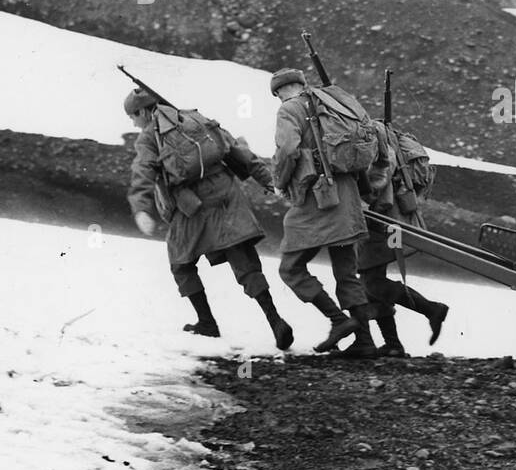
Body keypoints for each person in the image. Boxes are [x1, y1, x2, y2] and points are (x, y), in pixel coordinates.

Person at [125, 88, 293, 351]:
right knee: (245, 264)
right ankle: (276, 322)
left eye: (133, 116)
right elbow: (239, 153)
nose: (133, 122)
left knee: (181, 262)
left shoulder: (150, 137)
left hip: (192, 206)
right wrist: (269, 181)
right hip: (227, 196)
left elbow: (142, 172)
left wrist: (141, 209)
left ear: (145, 111)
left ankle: (206, 323)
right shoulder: (197, 120)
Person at [269, 68, 378, 358]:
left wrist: (279, 182)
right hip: (347, 199)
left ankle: (338, 320)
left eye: (277, 93)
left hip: (316, 200)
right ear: (302, 84)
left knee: (290, 267)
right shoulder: (333, 104)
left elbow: (288, 150)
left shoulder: (289, 110)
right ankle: (365, 342)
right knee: (346, 271)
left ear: (280, 91)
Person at [357, 121, 448, 357]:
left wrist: (362, 201)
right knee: (372, 281)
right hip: (388, 216)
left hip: (381, 217)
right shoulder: (379, 132)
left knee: (371, 282)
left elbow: (379, 175)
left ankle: (432, 309)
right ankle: (393, 344)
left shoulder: (373, 134)